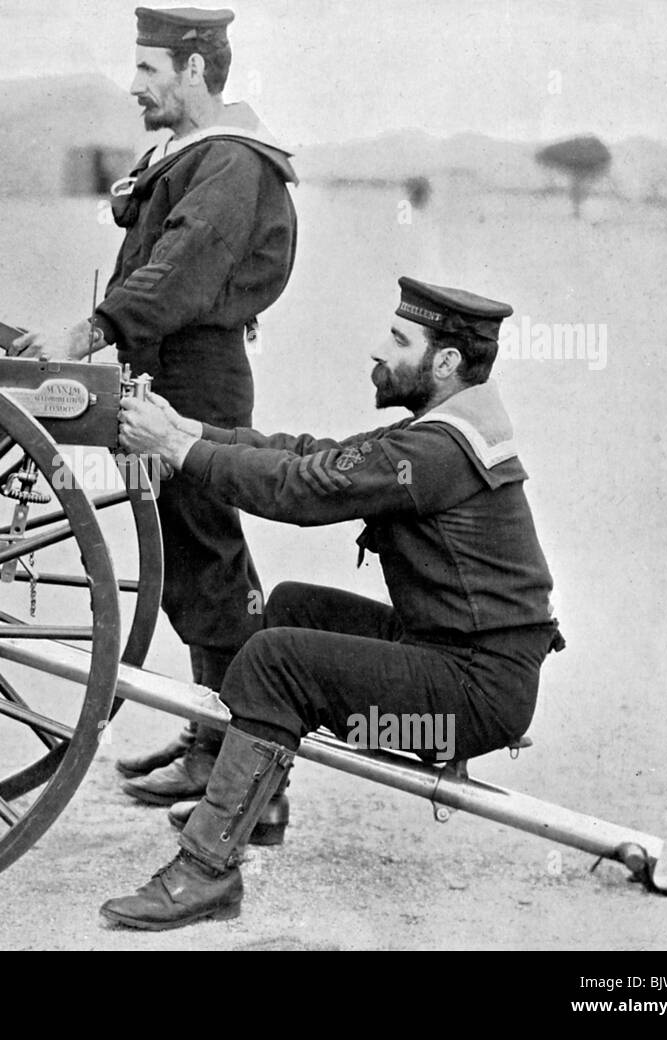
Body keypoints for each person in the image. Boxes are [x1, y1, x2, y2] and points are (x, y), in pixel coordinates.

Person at [100, 276, 564, 930]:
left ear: (447, 362)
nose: (378, 350)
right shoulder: (446, 429)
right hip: (462, 658)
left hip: (478, 693)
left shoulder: (434, 450)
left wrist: (180, 452)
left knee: (275, 660)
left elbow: (304, 490)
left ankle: (204, 873)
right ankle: (258, 805)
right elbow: (315, 456)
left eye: (399, 340)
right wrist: (193, 429)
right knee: (291, 607)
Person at [14, 6, 299, 807]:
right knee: (183, 559)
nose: (134, 85)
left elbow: (181, 265)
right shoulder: (190, 155)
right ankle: (214, 732)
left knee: (209, 559)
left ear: (196, 71)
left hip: (196, 375)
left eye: (149, 69)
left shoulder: (233, 164)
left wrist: (92, 328)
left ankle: (248, 775)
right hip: (163, 365)